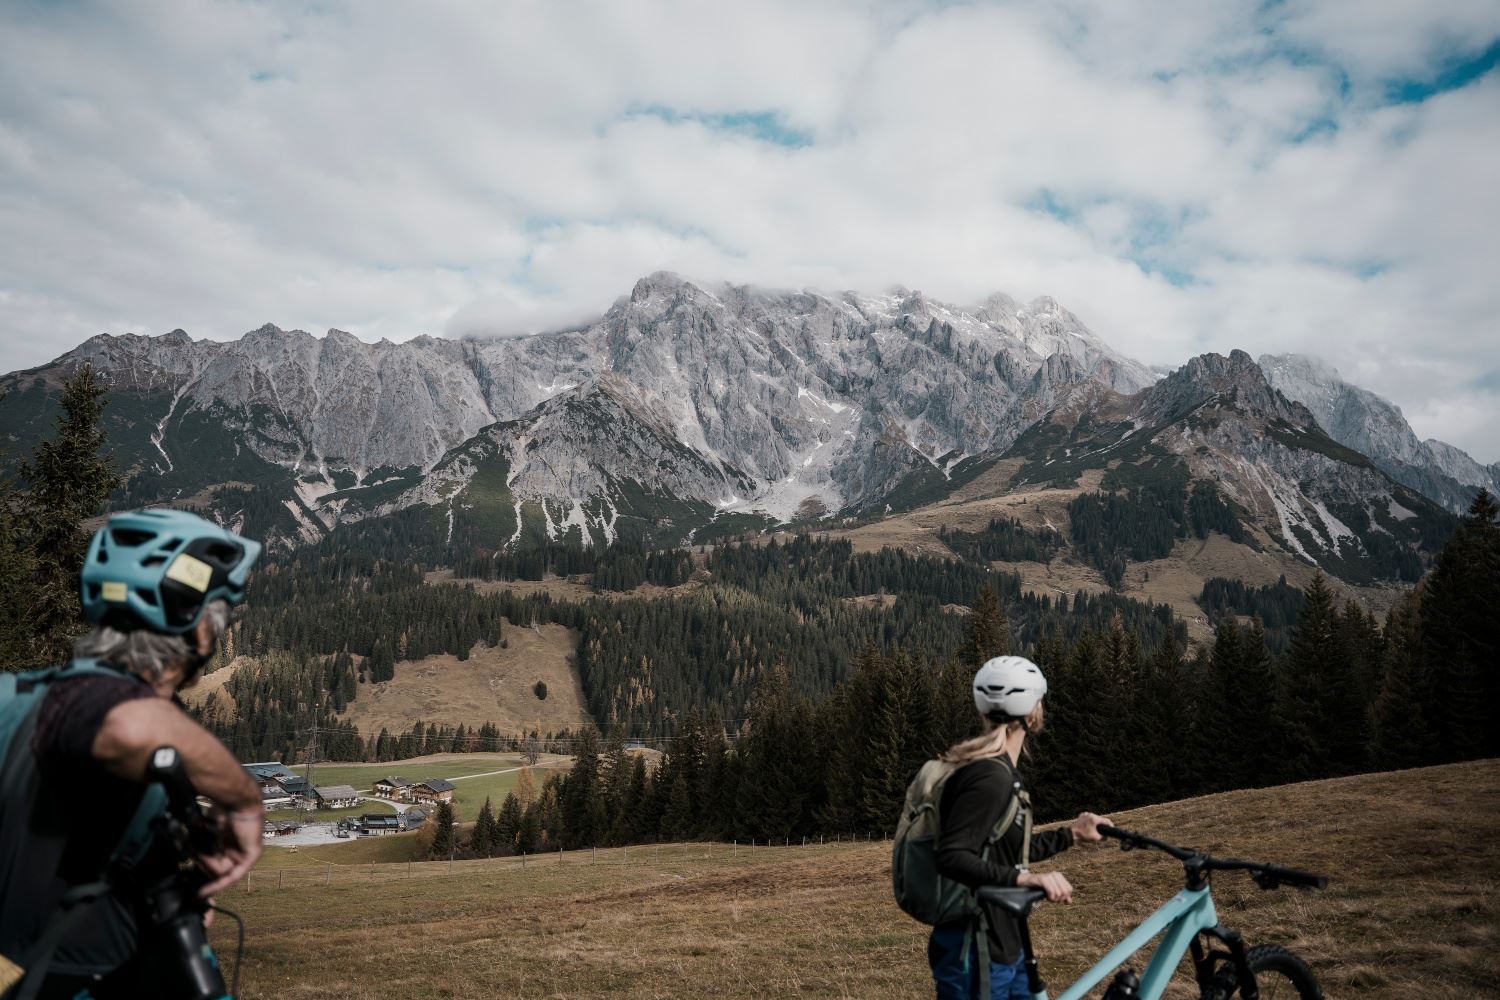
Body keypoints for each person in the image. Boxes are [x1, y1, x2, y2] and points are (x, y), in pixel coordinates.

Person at [0, 509, 265, 999]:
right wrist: (244, 802)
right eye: (219, 621)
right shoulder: (100, 707)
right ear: (201, 630)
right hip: (84, 980)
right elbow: (128, 724)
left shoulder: (13, 693)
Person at [929, 655, 1111, 1000]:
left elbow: (1003, 848)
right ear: (1033, 713)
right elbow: (951, 856)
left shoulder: (999, 772)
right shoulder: (989, 778)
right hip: (975, 947)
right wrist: (1027, 879)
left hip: (1004, 943)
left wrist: (1072, 834)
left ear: (983, 710)